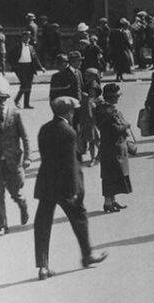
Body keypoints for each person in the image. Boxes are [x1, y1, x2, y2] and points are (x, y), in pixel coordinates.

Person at [33, 96, 107, 280]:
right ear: (68, 112)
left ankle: (43, 266)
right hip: (65, 186)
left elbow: (45, 156)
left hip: (46, 184)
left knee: (42, 224)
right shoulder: (68, 132)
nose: (74, 113)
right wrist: (75, 189)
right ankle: (87, 255)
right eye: (73, 111)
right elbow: (71, 163)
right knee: (79, 218)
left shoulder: (44, 129)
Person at [0, 89, 30, 236]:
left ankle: (22, 205)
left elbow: (25, 137)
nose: (0, 103)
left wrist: (28, 157)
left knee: (15, 192)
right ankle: (3, 225)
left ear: (6, 100)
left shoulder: (15, 114)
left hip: (13, 159)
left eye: (2, 99)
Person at [94, 84, 133, 213]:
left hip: (114, 147)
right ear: (111, 97)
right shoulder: (106, 111)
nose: (118, 98)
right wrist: (126, 125)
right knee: (110, 175)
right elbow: (114, 129)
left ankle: (113, 201)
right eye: (117, 96)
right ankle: (107, 203)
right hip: (111, 148)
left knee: (115, 174)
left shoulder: (106, 109)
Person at [8, 29, 44, 109]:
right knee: (24, 84)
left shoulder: (31, 47)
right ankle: (17, 100)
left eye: (29, 37)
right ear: (22, 38)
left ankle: (26, 104)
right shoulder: (17, 46)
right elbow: (9, 57)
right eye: (25, 37)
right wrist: (14, 65)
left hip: (29, 67)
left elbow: (35, 58)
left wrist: (41, 67)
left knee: (29, 86)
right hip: (20, 67)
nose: (27, 39)